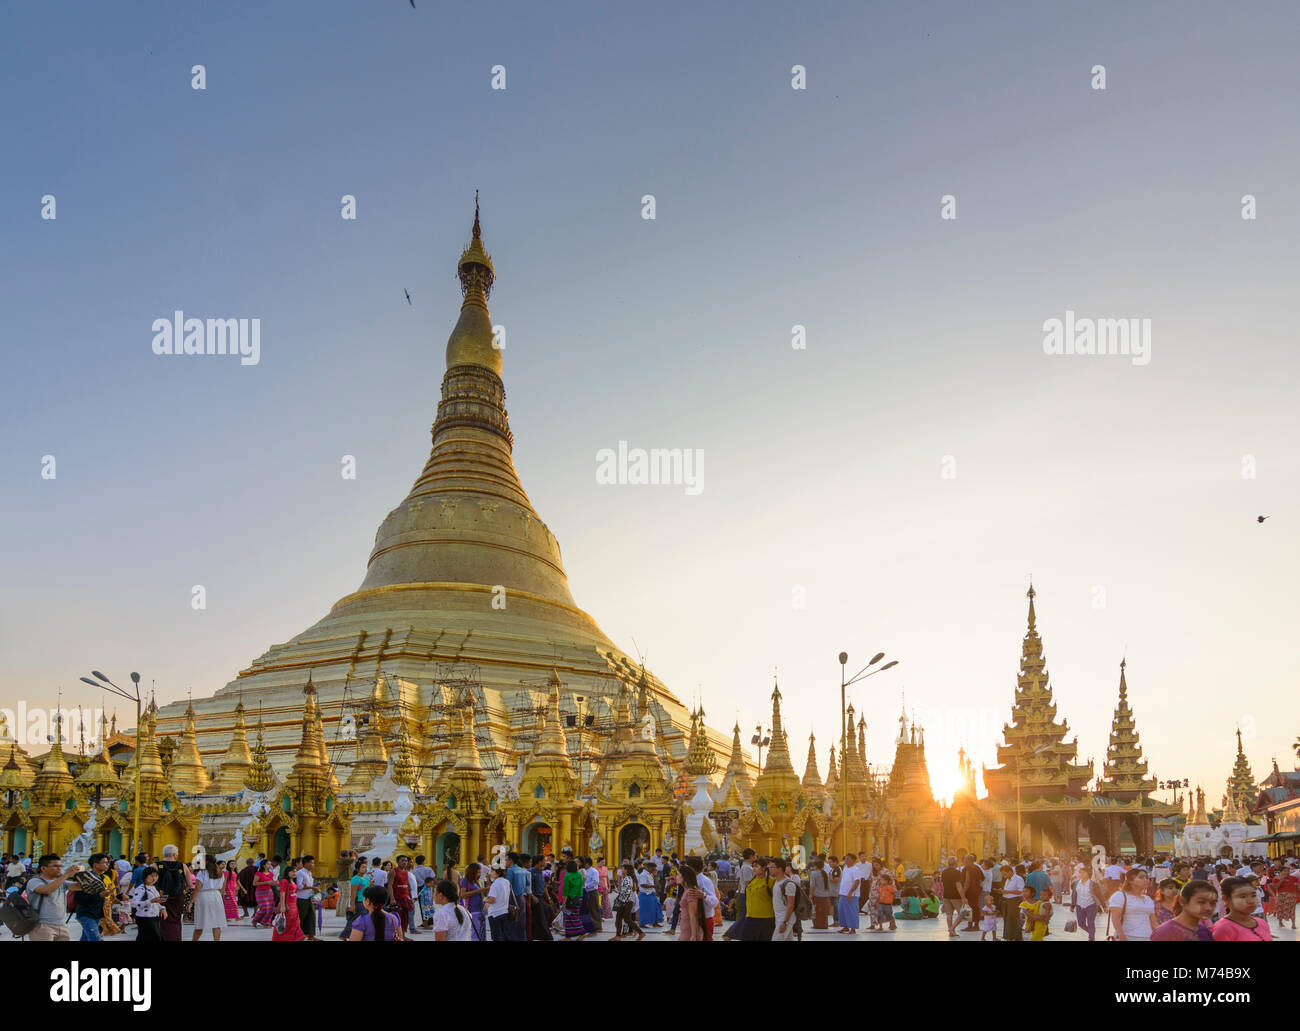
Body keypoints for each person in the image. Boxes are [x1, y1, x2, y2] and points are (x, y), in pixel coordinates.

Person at [25, 854, 79, 941]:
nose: (59, 868)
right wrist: (66, 874)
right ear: (43, 868)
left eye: (60, 866)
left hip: (61, 925)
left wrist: (83, 877)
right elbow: (47, 890)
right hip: (42, 925)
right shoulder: (34, 881)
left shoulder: (62, 882)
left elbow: (80, 887)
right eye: (55, 866)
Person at [1151, 879, 1217, 941]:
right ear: (1182, 901)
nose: (1208, 908)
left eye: (1213, 903)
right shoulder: (1165, 932)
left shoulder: (1205, 932)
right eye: (1201, 902)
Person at [1212, 876, 1272, 941]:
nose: (1251, 901)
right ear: (1226, 899)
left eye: (1253, 895)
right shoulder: (1223, 928)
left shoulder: (1261, 923)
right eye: (1243, 896)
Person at [155, 844, 195, 943]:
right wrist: (182, 891)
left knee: (164, 920)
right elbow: (190, 884)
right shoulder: (182, 865)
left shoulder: (156, 865)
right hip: (178, 896)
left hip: (163, 895)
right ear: (174, 854)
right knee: (176, 919)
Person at [1108, 868, 1156, 941]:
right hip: (1128, 936)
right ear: (1130, 881)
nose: (1146, 880)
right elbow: (1116, 918)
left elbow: (1153, 922)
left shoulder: (1148, 899)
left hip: (1148, 937)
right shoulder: (1120, 896)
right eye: (1141, 877)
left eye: (1147, 877)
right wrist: (1121, 936)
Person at [191, 854, 228, 941]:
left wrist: (191, 902)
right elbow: (222, 889)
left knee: (200, 923)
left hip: (204, 896)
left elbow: (197, 888)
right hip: (216, 896)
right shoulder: (220, 873)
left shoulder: (202, 873)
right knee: (217, 923)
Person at [742, 856, 776, 940]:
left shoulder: (771, 882)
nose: (754, 868)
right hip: (750, 916)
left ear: (764, 868)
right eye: (753, 866)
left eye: (756, 866)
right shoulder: (752, 880)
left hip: (766, 918)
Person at [273, 858, 305, 941]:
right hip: (287, 906)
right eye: (292, 872)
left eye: (295, 871)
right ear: (287, 872)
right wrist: (282, 906)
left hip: (294, 906)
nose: (294, 873)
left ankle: (294, 938)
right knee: (286, 924)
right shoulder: (284, 881)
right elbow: (282, 893)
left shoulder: (293, 881)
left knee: (295, 923)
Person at [130, 867, 163, 942]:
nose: (154, 878)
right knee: (153, 936)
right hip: (145, 918)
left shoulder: (153, 888)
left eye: (156, 876)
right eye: (151, 876)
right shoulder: (140, 889)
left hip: (154, 916)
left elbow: (156, 903)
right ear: (145, 876)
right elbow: (134, 904)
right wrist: (150, 901)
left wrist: (162, 908)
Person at [612, 862, 641, 940]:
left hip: (626, 901)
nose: (621, 870)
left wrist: (618, 892)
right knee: (622, 918)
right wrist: (618, 896)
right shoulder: (626, 878)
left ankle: (639, 932)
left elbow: (626, 891)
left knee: (626, 919)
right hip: (626, 900)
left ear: (627, 870)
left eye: (623, 869)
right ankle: (619, 935)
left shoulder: (627, 879)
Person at [560, 859, 588, 941]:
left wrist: (563, 903)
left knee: (572, 917)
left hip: (570, 900)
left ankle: (583, 933)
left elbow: (565, 891)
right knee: (571, 917)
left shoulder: (567, 876)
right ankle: (568, 936)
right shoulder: (579, 875)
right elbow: (581, 886)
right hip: (579, 898)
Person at [459, 862, 487, 942]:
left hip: (481, 909)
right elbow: (463, 895)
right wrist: (478, 890)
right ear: (472, 872)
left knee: (481, 932)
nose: (479, 874)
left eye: (480, 872)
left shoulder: (477, 881)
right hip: (472, 909)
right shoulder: (465, 880)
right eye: (478, 872)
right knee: (475, 932)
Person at [771, 859, 798, 941]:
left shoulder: (788, 884)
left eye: (772, 867)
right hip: (779, 917)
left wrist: (785, 922)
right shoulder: (776, 882)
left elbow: (791, 905)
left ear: (779, 869)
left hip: (785, 918)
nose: (770, 869)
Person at [677, 864, 705, 942]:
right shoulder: (686, 890)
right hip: (685, 925)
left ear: (684, 877)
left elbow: (693, 914)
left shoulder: (690, 892)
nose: (676, 877)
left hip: (689, 927)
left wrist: (693, 935)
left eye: (678, 875)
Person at [485, 864, 513, 941]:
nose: (490, 873)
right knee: (503, 936)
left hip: (495, 913)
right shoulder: (506, 882)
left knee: (496, 936)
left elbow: (492, 900)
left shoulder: (495, 884)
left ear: (497, 873)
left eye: (492, 871)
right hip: (504, 911)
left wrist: (485, 900)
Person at [1267, 863, 1298, 930]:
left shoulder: (1294, 878)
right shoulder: (1276, 878)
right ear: (1280, 872)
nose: (1287, 872)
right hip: (1281, 897)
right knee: (1280, 909)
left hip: (1291, 897)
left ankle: (1293, 924)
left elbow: (1298, 886)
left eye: (1288, 871)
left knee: (1292, 910)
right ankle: (1280, 922)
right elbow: (1275, 887)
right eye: (1285, 871)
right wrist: (1281, 879)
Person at [1074, 863, 1100, 941]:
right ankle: (1091, 932)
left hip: (1091, 905)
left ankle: (1091, 938)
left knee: (1090, 923)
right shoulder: (1076, 883)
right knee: (1080, 924)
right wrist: (1072, 905)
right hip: (1079, 906)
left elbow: (1099, 895)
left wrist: (1104, 906)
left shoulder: (1093, 884)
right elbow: (1074, 894)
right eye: (1080, 872)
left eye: (1083, 873)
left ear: (1088, 874)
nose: (1081, 874)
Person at [294, 854, 318, 940]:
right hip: (301, 899)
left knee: (311, 917)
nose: (312, 865)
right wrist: (312, 887)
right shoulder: (300, 873)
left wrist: (313, 888)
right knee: (301, 917)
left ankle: (310, 935)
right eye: (310, 863)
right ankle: (297, 935)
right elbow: (299, 886)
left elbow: (308, 885)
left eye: (313, 863)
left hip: (309, 897)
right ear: (305, 864)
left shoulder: (309, 873)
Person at [940, 856, 964, 938]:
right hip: (955, 896)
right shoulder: (957, 872)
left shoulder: (944, 872)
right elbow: (959, 886)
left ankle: (951, 931)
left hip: (946, 895)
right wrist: (963, 897)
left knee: (949, 914)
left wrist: (943, 896)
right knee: (962, 914)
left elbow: (943, 885)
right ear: (956, 863)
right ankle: (952, 929)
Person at [837, 852, 860, 934]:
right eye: (845, 859)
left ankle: (853, 928)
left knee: (852, 911)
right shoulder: (845, 868)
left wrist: (850, 892)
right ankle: (845, 926)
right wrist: (840, 892)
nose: (845, 860)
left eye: (848, 859)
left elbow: (857, 881)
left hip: (852, 895)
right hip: (843, 893)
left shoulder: (855, 869)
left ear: (853, 860)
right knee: (842, 910)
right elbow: (843, 881)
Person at [1001, 864, 1025, 941]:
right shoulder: (1008, 879)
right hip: (1007, 900)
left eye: (1004, 873)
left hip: (1015, 900)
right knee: (1007, 919)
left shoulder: (1018, 879)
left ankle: (1017, 937)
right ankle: (1009, 936)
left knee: (1014, 919)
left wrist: (1007, 891)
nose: (1003, 875)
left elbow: (1020, 891)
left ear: (1009, 872)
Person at [637, 861, 664, 927]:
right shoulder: (643, 874)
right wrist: (654, 886)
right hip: (646, 894)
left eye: (654, 869)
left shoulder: (650, 874)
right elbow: (642, 884)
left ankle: (655, 922)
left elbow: (655, 882)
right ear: (648, 867)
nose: (654, 870)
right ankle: (642, 923)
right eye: (653, 868)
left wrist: (655, 876)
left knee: (656, 907)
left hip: (651, 894)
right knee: (645, 910)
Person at [809, 856, 832, 930]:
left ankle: (818, 925)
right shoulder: (825, 873)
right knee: (824, 912)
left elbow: (812, 885)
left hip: (817, 895)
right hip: (825, 895)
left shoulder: (814, 873)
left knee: (817, 911)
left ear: (815, 866)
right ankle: (824, 924)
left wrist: (810, 894)